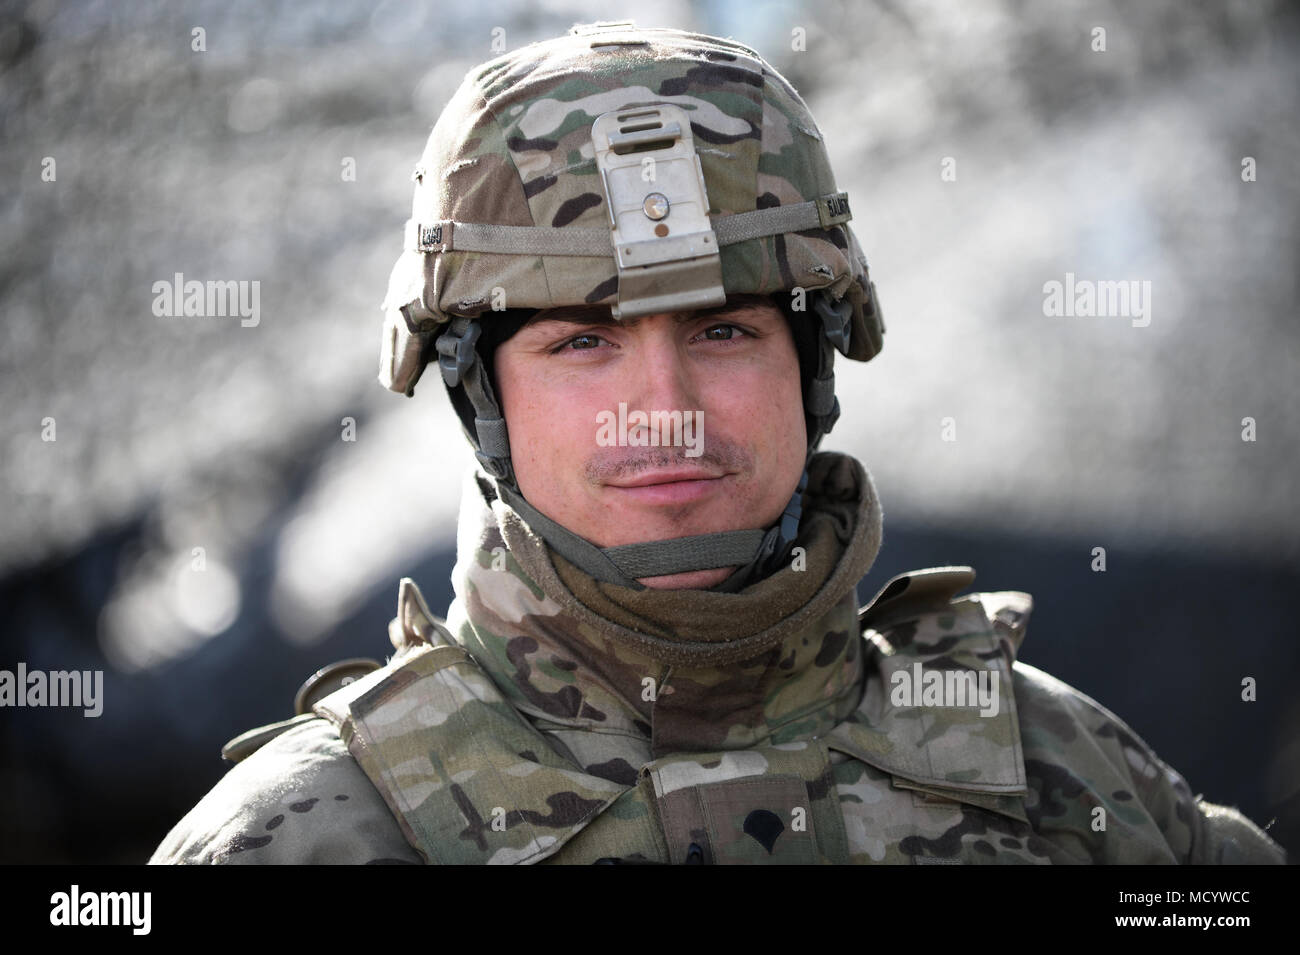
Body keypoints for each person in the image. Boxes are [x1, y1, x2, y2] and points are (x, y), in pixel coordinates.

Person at [151, 20, 1284, 865]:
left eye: (727, 329)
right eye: (583, 343)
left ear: (813, 367)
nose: (665, 407)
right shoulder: (303, 838)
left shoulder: (1073, 782)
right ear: (477, 396)